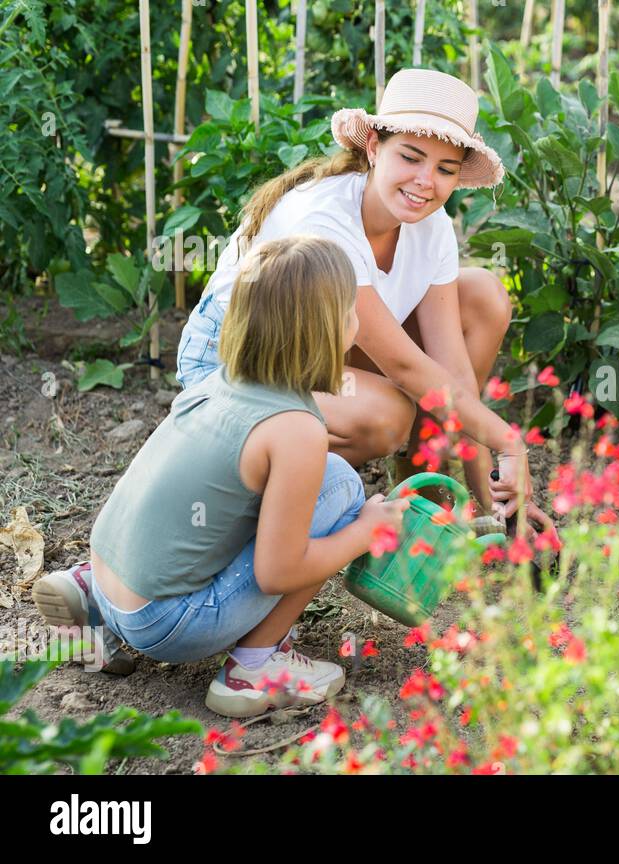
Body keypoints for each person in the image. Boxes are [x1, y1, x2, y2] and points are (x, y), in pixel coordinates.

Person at [33, 236, 410, 718]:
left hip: (110, 565)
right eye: (351, 312)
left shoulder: (221, 381)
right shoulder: (296, 430)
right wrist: (365, 532)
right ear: (327, 330)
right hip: (169, 623)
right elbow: (279, 571)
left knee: (319, 481)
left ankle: (92, 600)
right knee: (342, 492)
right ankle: (254, 668)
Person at [176, 67, 552, 535]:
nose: (424, 182)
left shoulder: (431, 227)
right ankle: (255, 499)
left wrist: (499, 507)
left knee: (482, 297)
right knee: (387, 414)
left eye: (445, 169)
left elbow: (452, 375)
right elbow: (406, 370)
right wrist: (510, 443)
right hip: (233, 362)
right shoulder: (325, 219)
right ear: (374, 148)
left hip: (315, 351)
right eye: (410, 157)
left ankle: (423, 493)